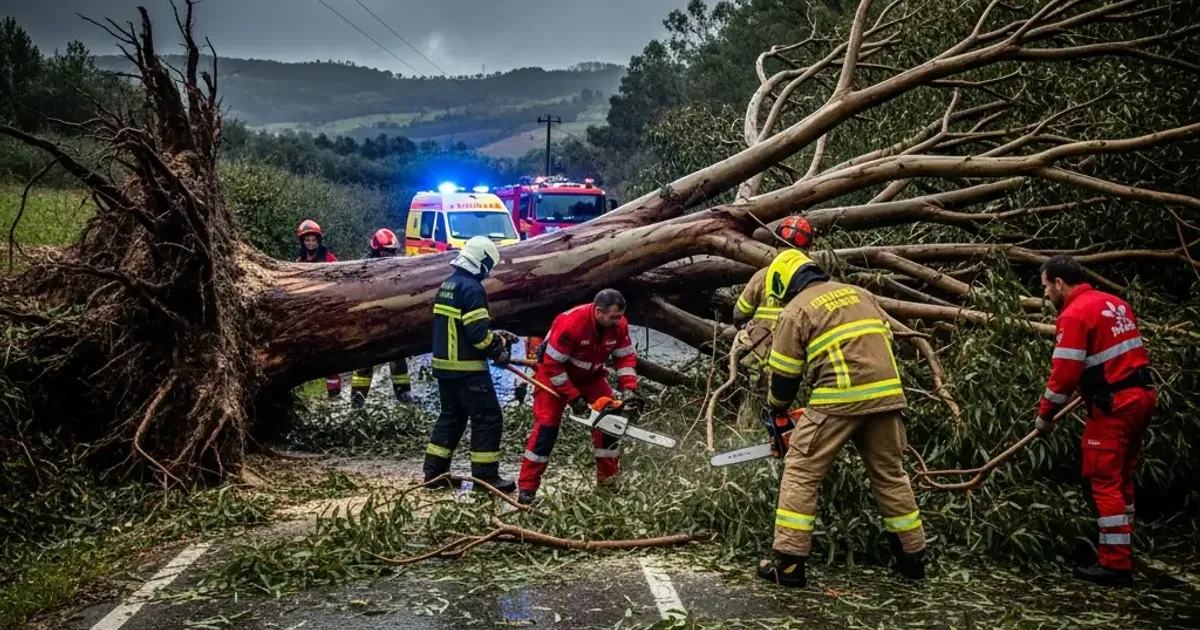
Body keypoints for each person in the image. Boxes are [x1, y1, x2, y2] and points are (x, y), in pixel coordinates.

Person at [757, 257, 925, 588]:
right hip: (888, 396)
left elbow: (784, 377)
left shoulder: (796, 310)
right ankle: (913, 558)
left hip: (838, 398)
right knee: (890, 475)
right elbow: (882, 343)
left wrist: (777, 410)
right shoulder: (860, 294)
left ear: (783, 285)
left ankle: (789, 566)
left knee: (801, 472)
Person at [1034, 255, 1154, 586]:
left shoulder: (1074, 314)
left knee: (1103, 478)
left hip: (1113, 407)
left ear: (1059, 283)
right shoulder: (1114, 303)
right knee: (1123, 474)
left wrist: (1045, 416)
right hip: (1141, 396)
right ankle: (1127, 546)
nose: (1045, 294)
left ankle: (1115, 565)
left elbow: (1063, 375)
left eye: (1045, 287)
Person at [516, 290, 639, 505]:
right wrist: (574, 399)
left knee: (610, 424)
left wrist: (629, 389)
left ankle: (608, 483)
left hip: (591, 376)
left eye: (620, 317)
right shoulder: (570, 324)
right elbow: (553, 366)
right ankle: (527, 487)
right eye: (614, 317)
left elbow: (625, 357)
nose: (618, 322)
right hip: (553, 376)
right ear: (598, 312)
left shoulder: (619, 325)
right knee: (546, 428)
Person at [423, 236, 517, 492]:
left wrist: (495, 335)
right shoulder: (472, 289)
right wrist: (496, 347)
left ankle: (434, 474)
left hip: (445, 367)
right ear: (483, 262)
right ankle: (486, 477)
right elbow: (476, 334)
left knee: (452, 417)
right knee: (488, 417)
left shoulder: (448, 285)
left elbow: (463, 328)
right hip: (467, 369)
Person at [730, 216, 817, 425]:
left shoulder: (764, 276)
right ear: (810, 248)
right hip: (798, 367)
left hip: (759, 364)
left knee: (751, 420)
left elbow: (739, 314)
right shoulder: (816, 281)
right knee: (795, 421)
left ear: (776, 244)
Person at [350, 229, 413, 408]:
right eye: (386, 252)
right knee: (365, 362)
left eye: (392, 252)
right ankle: (358, 399)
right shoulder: (365, 269)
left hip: (392, 322)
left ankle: (403, 393)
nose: (389, 257)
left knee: (398, 358)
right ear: (377, 251)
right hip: (370, 323)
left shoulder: (399, 270)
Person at [295, 220, 342, 400]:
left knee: (331, 355)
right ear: (303, 242)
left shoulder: (330, 259)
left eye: (313, 240)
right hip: (308, 314)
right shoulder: (299, 261)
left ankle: (334, 394)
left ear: (318, 240)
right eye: (307, 241)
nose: (310, 243)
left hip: (327, 312)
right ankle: (304, 394)